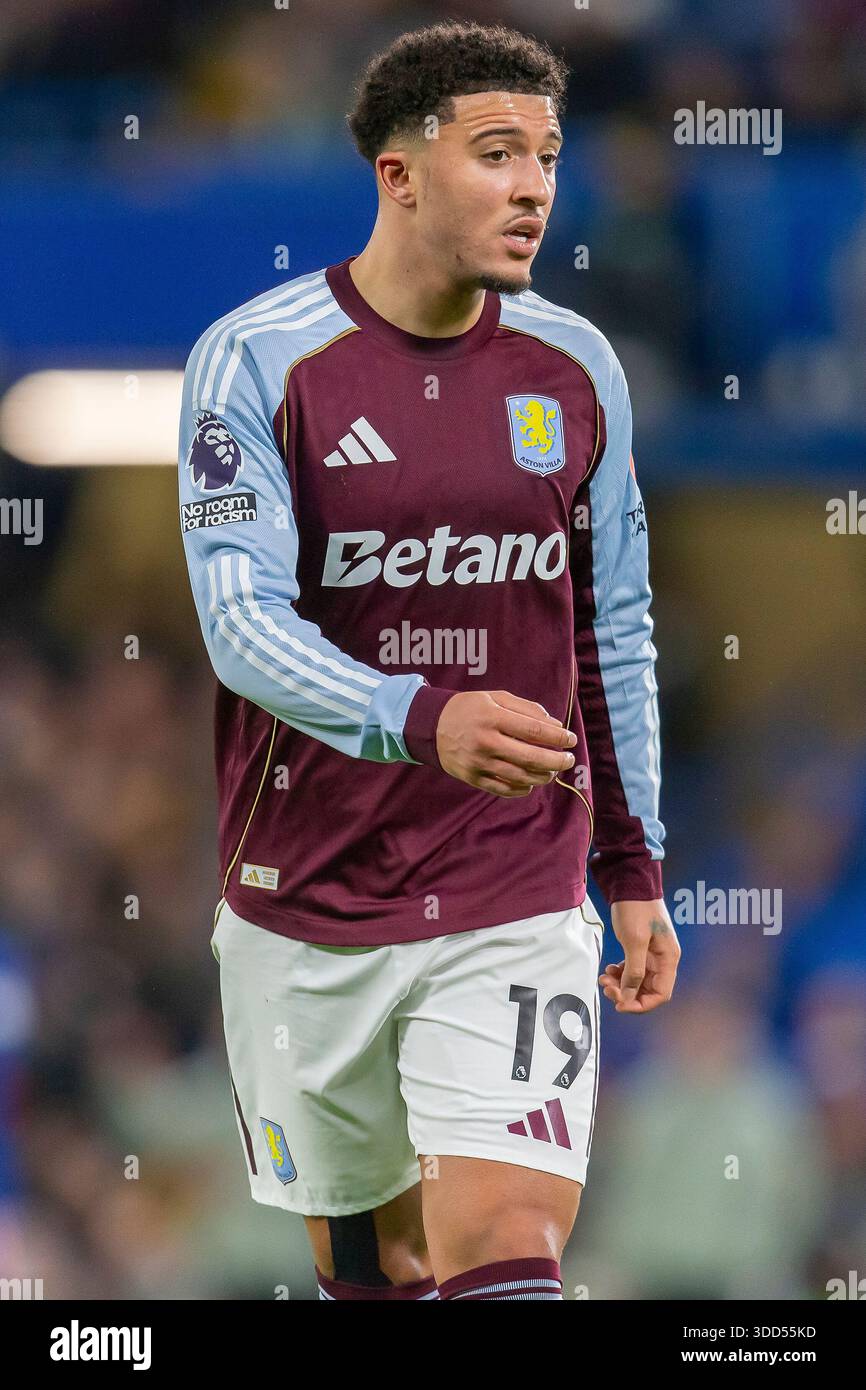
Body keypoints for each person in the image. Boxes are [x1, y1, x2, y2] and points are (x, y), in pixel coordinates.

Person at [178, 18, 678, 1302]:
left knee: (508, 1240)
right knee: (375, 1269)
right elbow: (240, 628)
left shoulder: (576, 368)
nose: (531, 189)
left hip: (514, 882)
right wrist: (416, 714)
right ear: (397, 173)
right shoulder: (256, 360)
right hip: (308, 897)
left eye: (548, 159)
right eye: (495, 154)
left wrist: (633, 863)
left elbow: (607, 624)